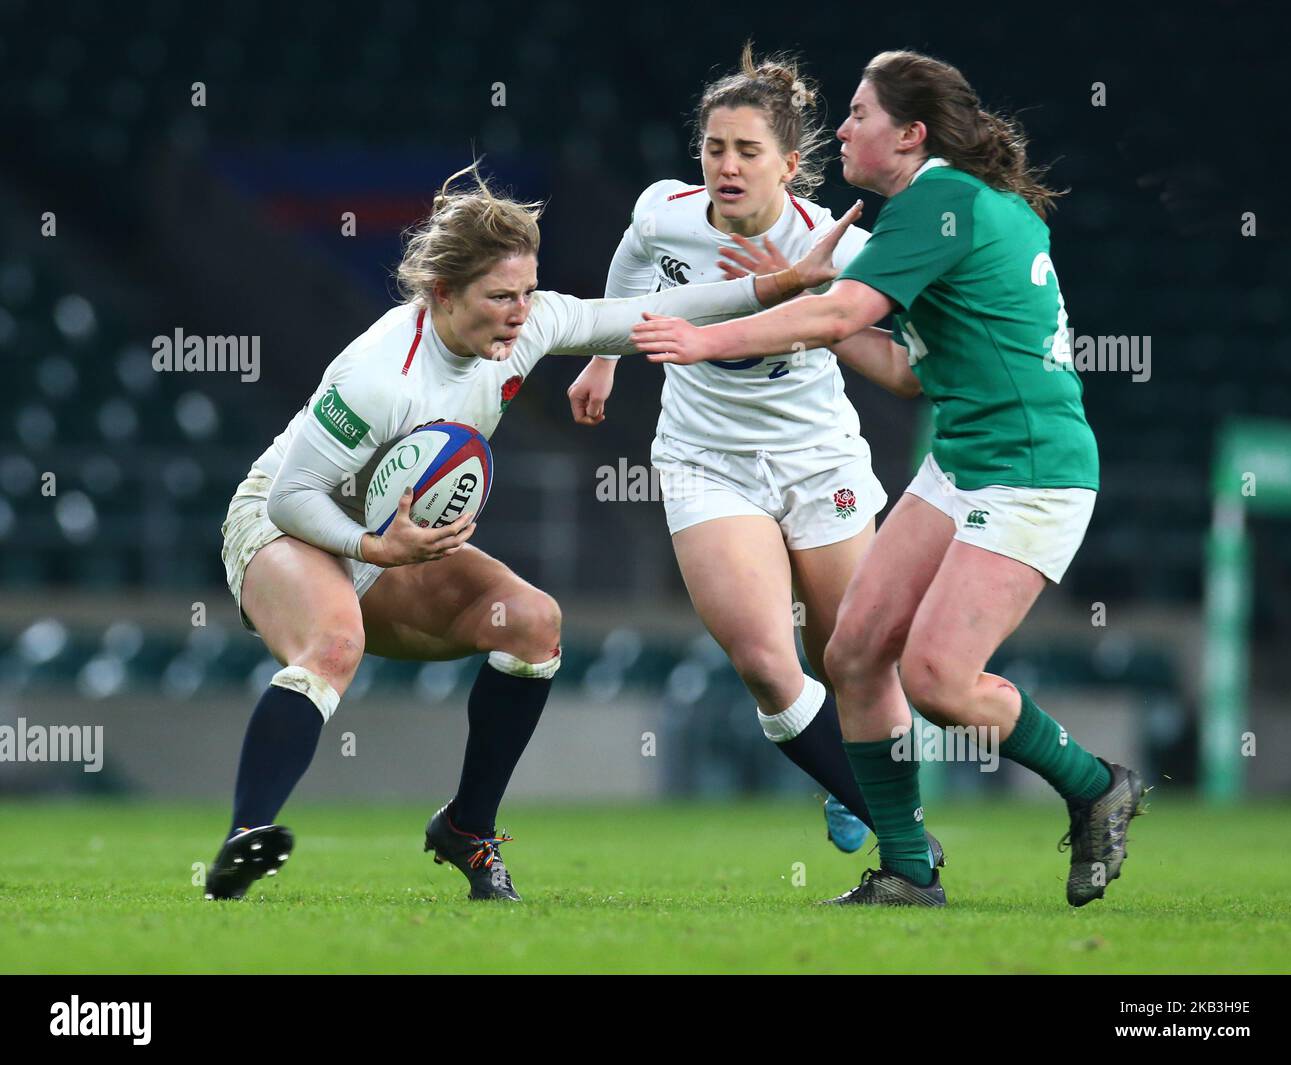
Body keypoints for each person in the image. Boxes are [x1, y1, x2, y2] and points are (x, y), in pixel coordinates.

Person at [208, 163, 857, 903]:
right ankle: (244, 838)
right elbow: (294, 496)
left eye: (526, 292)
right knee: (333, 645)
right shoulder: (379, 375)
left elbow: (653, 312)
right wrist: (371, 548)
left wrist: (777, 285)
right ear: (443, 293)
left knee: (532, 623)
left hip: (395, 537)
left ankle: (467, 829)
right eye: (500, 296)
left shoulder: (529, 324)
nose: (520, 312)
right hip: (285, 525)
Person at [632, 50, 1146, 907]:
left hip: (1031, 470)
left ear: (909, 135)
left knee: (939, 680)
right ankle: (908, 867)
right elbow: (901, 368)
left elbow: (837, 313)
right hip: (965, 459)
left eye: (861, 114)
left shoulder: (939, 202)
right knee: (856, 650)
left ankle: (1094, 784)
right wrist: (799, 306)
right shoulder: (945, 205)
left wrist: (706, 336)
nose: (842, 128)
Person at [568, 45, 940, 866]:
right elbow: (630, 265)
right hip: (707, 459)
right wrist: (603, 355)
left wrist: (809, 302)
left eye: (746, 152)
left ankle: (885, 818)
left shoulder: (835, 245)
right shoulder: (665, 212)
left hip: (819, 460)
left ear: (790, 164)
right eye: (713, 148)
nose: (726, 167)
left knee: (854, 659)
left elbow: (909, 356)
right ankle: (871, 806)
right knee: (770, 664)